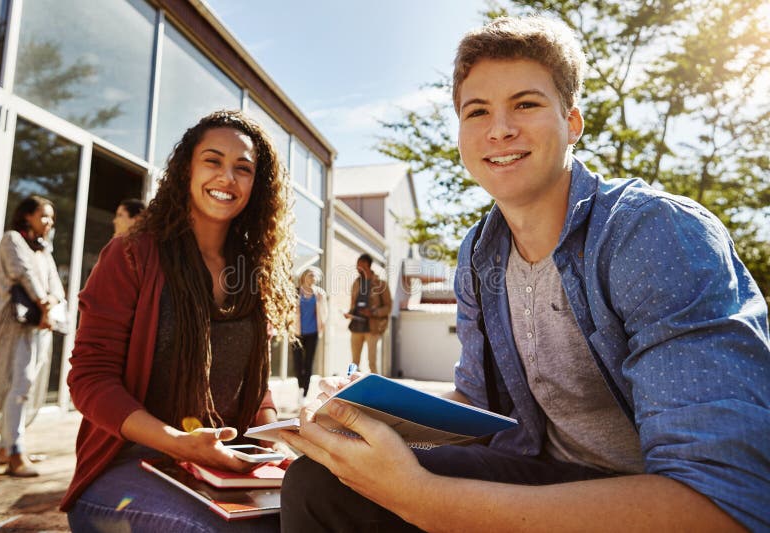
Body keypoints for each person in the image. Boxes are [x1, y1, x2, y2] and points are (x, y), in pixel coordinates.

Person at [279, 16, 770, 532]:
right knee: (321, 478)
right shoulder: (479, 253)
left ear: (572, 122)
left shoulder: (655, 233)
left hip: (647, 496)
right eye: (477, 111)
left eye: (526, 104)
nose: (499, 129)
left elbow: (721, 504)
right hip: (546, 472)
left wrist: (421, 498)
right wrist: (366, 411)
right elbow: (475, 404)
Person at [61, 110, 297, 532]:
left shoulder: (252, 270)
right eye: (212, 160)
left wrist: (274, 443)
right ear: (187, 169)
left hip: (219, 466)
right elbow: (90, 379)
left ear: (256, 184)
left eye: (243, 168)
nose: (227, 177)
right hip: (127, 466)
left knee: (306, 517)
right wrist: (179, 443)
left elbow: (252, 388)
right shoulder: (132, 254)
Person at [0, 195, 66, 477]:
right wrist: (44, 304)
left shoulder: (43, 250)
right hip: (15, 326)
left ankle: (5, 447)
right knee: (18, 385)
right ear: (27, 215)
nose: (49, 222)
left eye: (52, 217)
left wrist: (49, 305)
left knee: (25, 386)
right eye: (44, 215)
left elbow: (57, 287)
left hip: (40, 326)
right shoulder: (12, 240)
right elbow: (24, 274)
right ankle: (15, 453)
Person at [343, 253, 391, 374]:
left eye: (359, 265)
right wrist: (349, 313)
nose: (356, 268)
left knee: (372, 362)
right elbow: (353, 304)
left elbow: (388, 307)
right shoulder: (356, 283)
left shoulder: (381, 284)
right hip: (356, 327)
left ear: (366, 265)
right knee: (354, 363)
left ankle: (377, 385)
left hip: (372, 328)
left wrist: (373, 312)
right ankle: (352, 384)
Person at [291, 267, 327, 406]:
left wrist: (322, 327)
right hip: (296, 333)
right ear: (304, 276)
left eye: (315, 276)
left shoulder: (320, 294)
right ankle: (300, 388)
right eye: (311, 275)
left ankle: (304, 393)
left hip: (313, 333)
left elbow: (324, 313)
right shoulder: (295, 292)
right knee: (297, 363)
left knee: (309, 363)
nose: (313, 278)